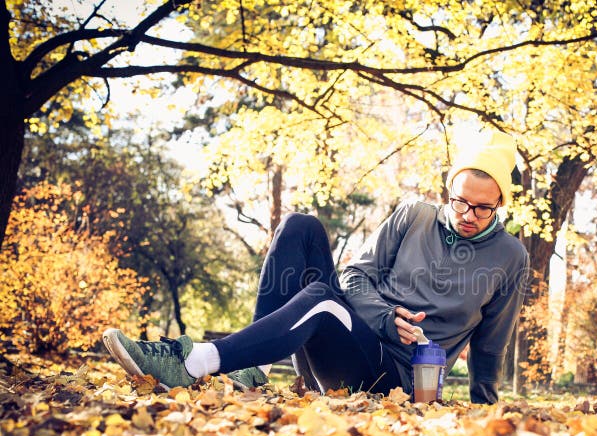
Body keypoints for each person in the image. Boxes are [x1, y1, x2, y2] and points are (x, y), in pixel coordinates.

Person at [103, 129, 529, 404]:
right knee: (300, 226)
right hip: (348, 341)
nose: (467, 214)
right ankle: (254, 370)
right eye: (459, 201)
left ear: (500, 204)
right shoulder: (413, 215)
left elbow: (491, 344)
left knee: (324, 302)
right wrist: (383, 317)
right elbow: (355, 275)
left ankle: (195, 361)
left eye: (482, 208)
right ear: (449, 190)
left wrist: (484, 406)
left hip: (396, 378)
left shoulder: (510, 257)